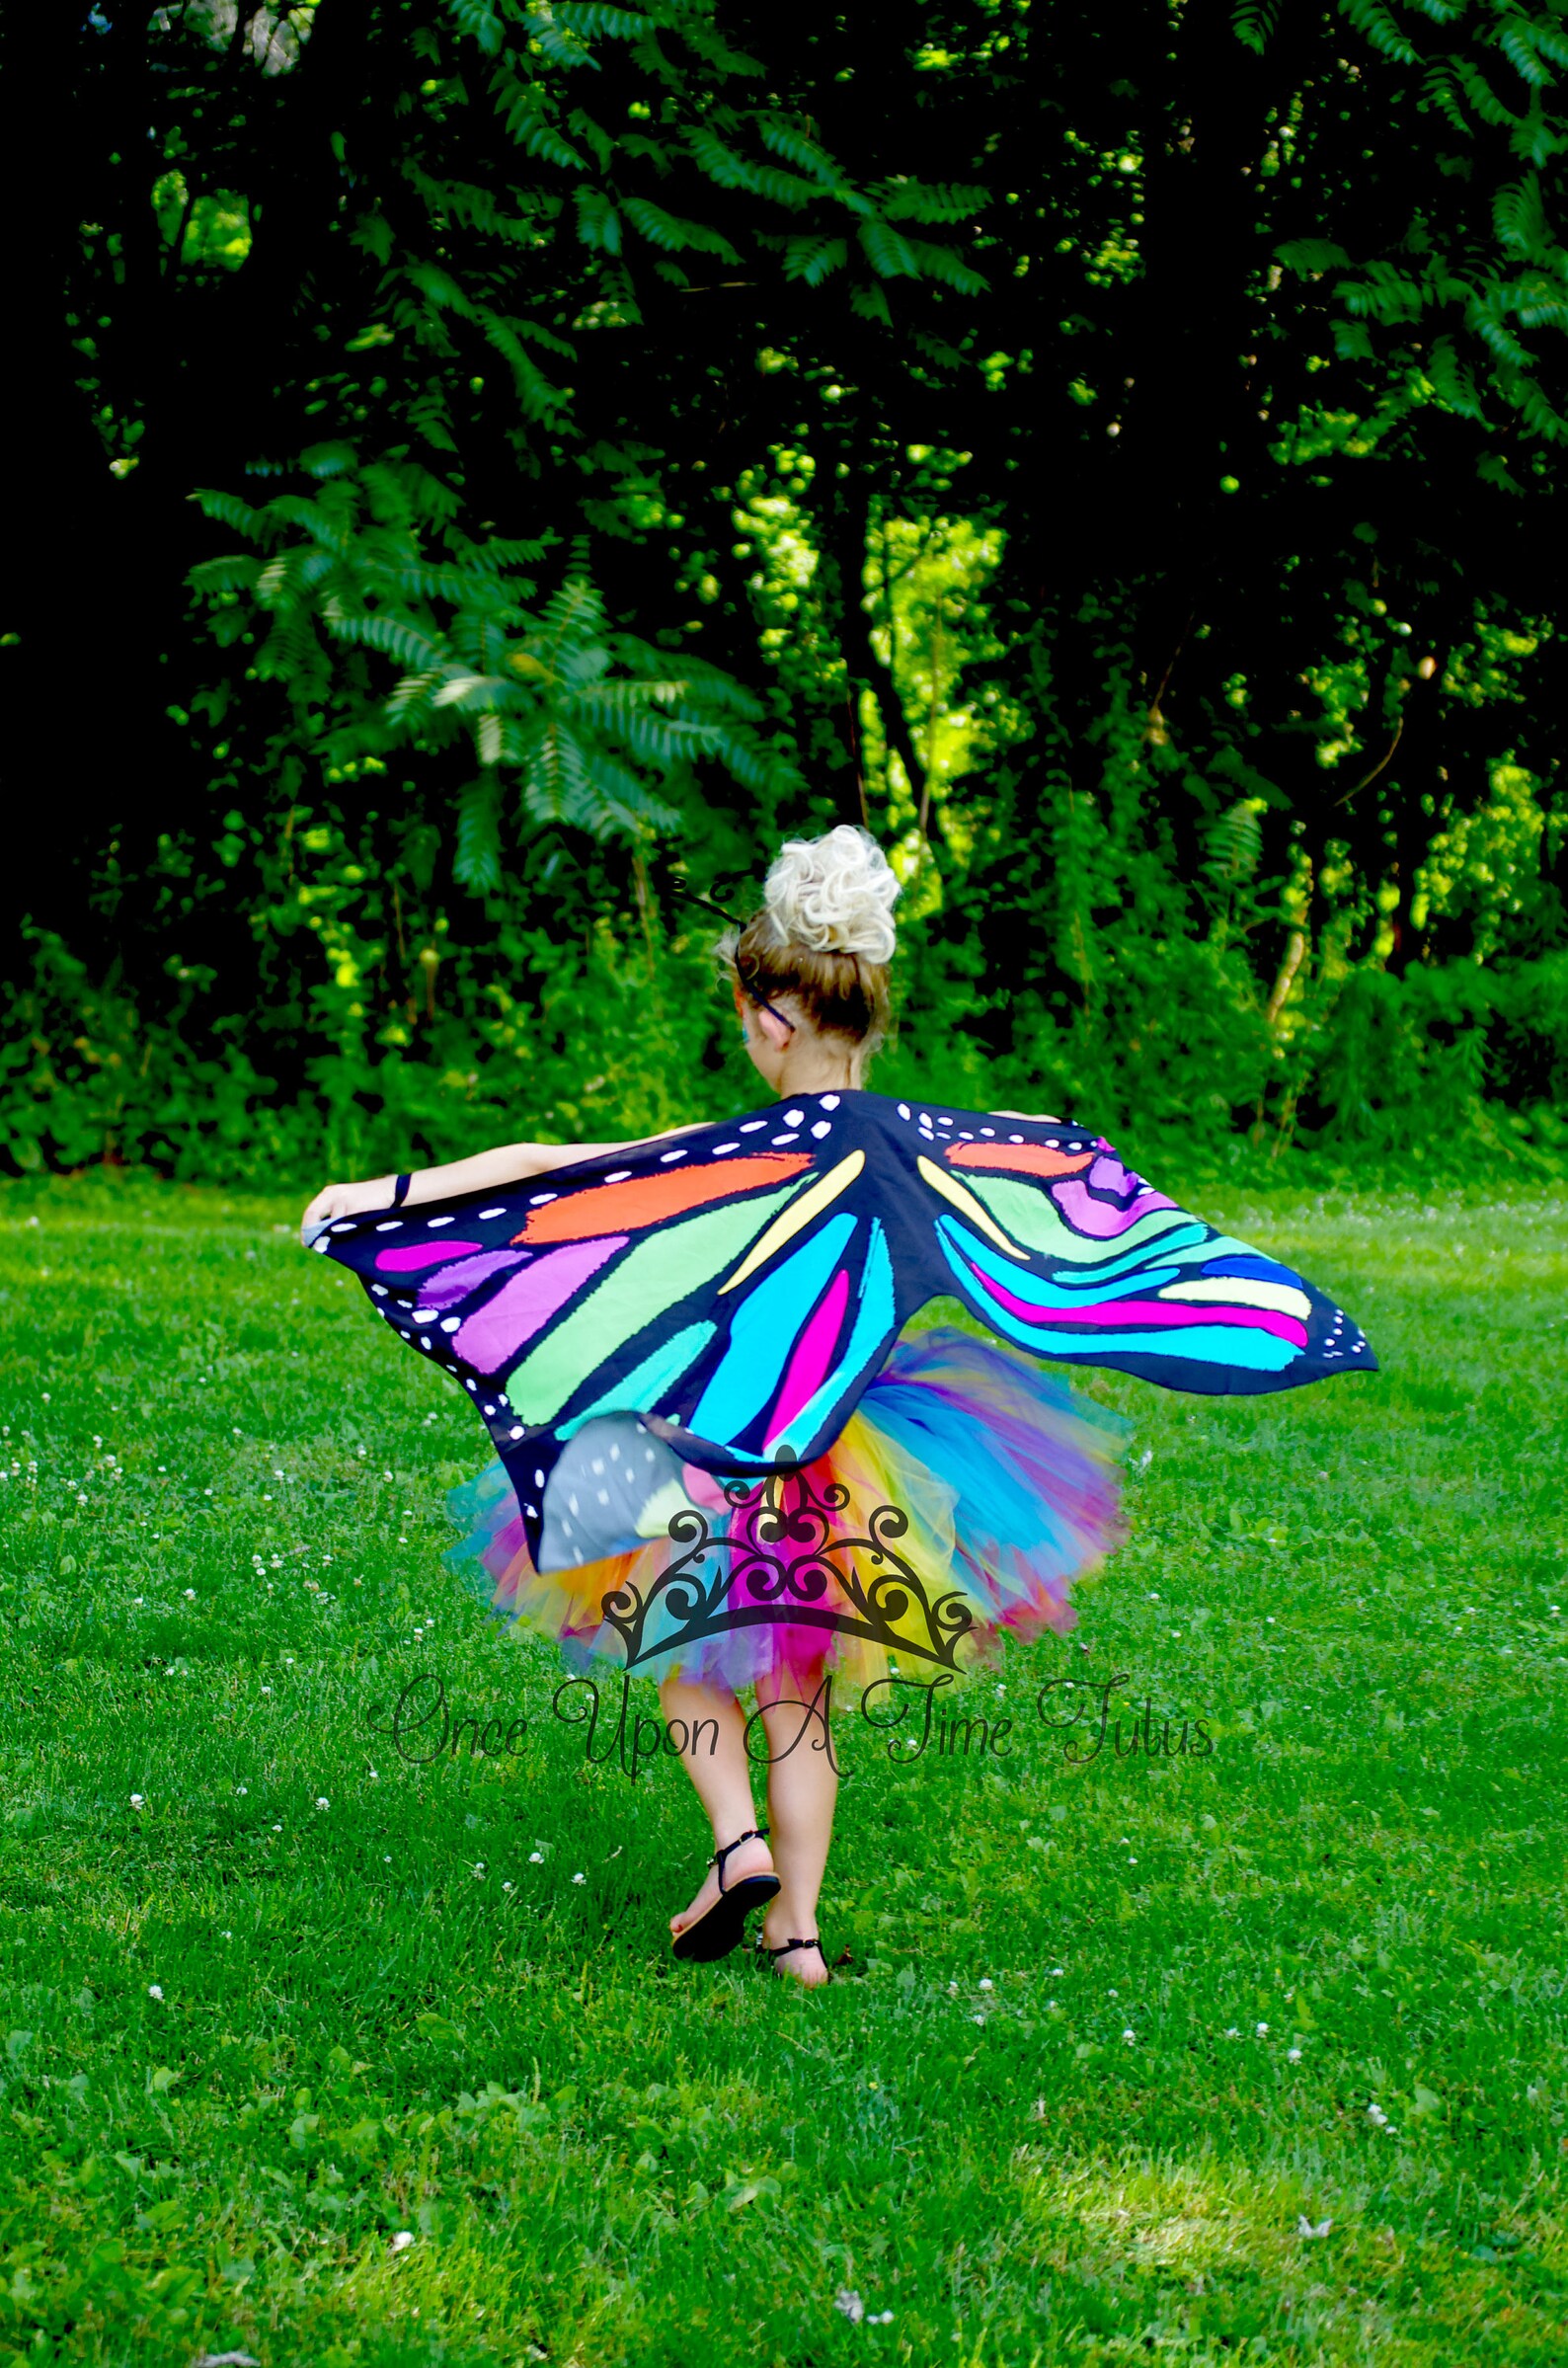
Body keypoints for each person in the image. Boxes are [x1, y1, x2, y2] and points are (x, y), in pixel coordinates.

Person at [301, 828, 1130, 1985]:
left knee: (683, 1641)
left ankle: (737, 1841)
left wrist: (380, 1196)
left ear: (773, 1020)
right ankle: (800, 1936)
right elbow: (1055, 1196)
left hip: (706, 1449)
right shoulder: (914, 1149)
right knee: (799, 1695)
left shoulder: (736, 1147)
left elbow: (551, 1167)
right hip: (846, 1453)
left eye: (744, 1019)